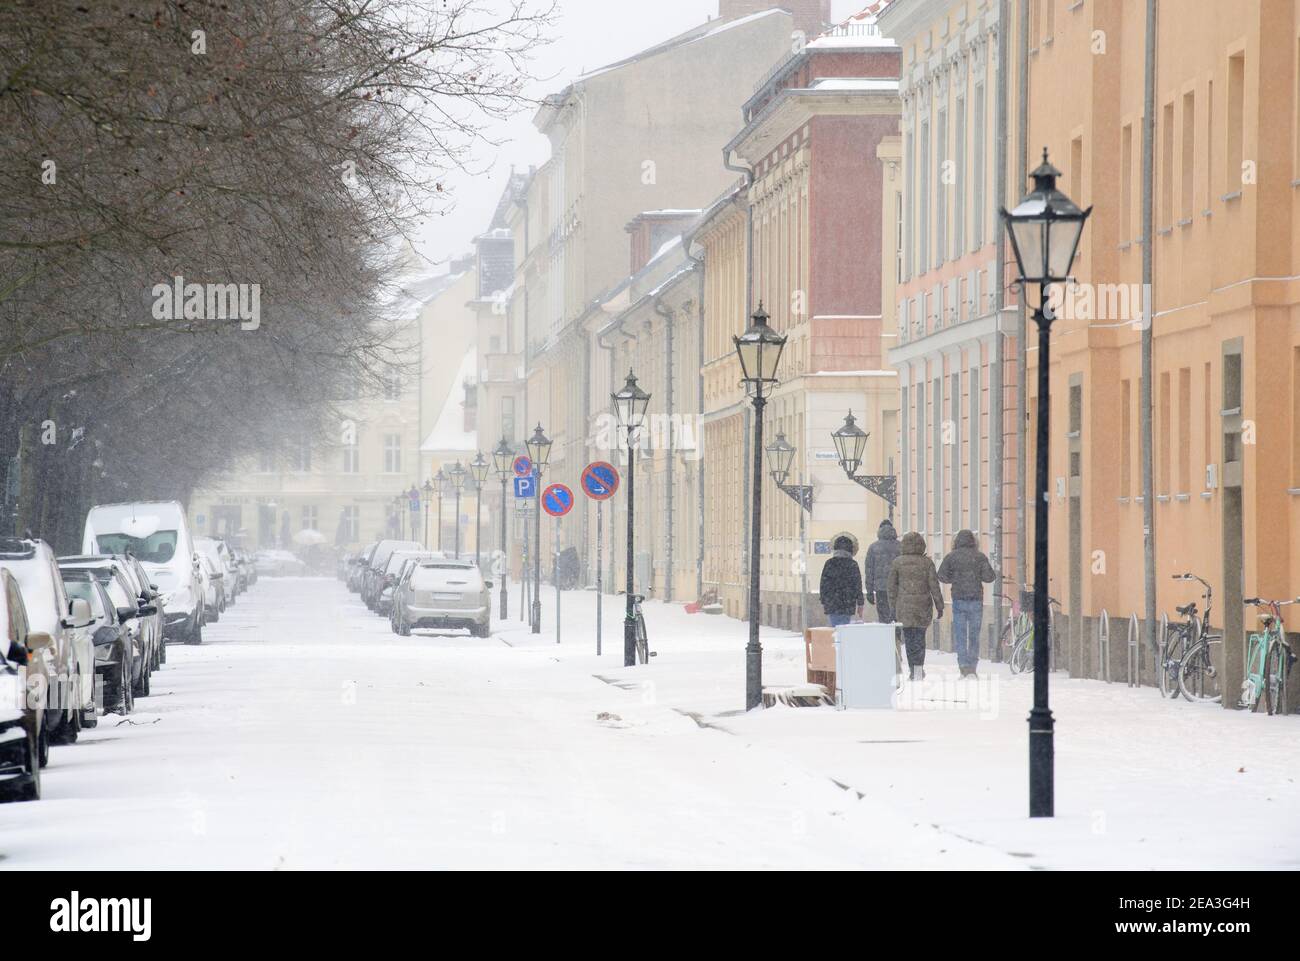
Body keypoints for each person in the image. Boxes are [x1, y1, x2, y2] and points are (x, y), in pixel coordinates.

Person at [937, 529, 998, 678]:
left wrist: (955, 578)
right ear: (973, 541)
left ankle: (963, 666)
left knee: (960, 635)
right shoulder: (980, 557)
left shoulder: (951, 557)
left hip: (958, 599)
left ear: (957, 541)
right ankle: (972, 666)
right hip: (976, 599)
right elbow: (989, 577)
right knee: (974, 635)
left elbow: (942, 576)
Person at [886, 531, 943, 680]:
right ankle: (918, 670)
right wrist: (939, 605)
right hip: (922, 606)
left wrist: (893, 606)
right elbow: (934, 586)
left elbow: (891, 587)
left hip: (904, 607)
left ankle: (913, 669)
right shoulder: (927, 563)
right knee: (920, 640)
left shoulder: (897, 562)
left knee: (910, 640)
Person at [819, 535, 863, 627]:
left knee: (835, 628)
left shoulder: (829, 563)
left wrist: (823, 600)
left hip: (832, 602)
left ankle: (837, 640)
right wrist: (860, 603)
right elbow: (858, 585)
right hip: (847, 602)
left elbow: (823, 583)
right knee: (844, 627)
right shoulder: (852, 564)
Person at [863, 519, 900, 623]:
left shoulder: (873, 547)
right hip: (898, 588)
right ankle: (896, 637)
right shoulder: (900, 546)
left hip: (881, 588)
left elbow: (869, 570)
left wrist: (869, 591)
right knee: (896, 615)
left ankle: (886, 636)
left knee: (883, 617)